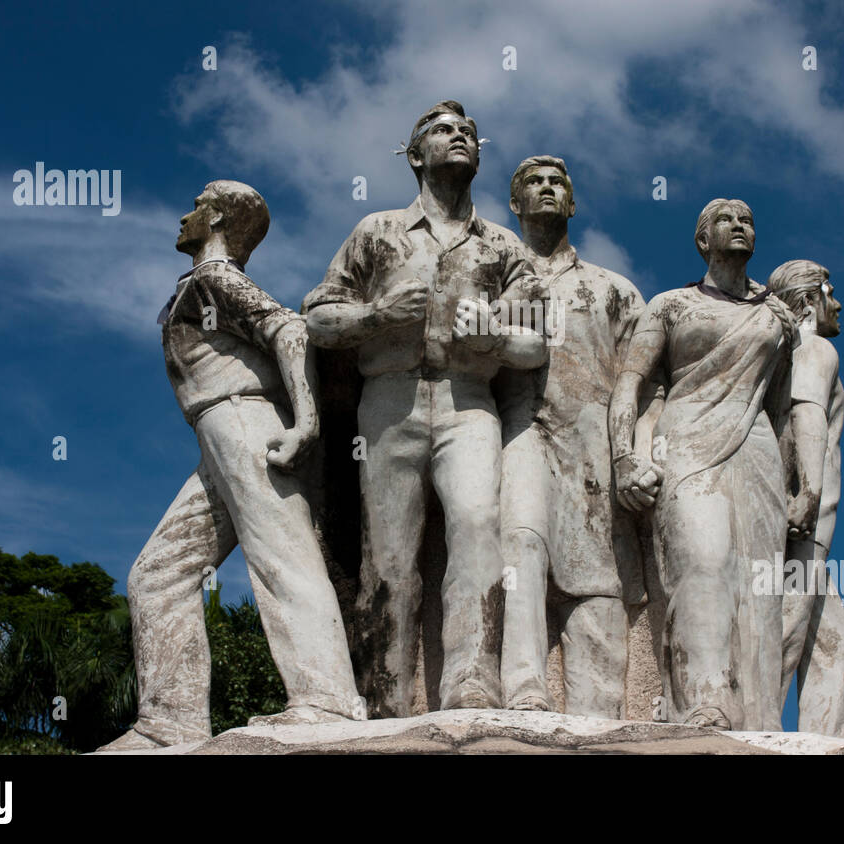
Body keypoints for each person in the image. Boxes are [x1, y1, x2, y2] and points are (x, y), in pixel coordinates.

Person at [303, 101, 546, 717]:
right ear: (415, 155)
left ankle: (471, 683)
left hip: (469, 403)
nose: (459, 136)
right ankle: (386, 697)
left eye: (468, 132)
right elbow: (318, 319)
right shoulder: (376, 231)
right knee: (387, 554)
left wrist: (490, 335)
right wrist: (376, 317)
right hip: (388, 402)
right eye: (443, 131)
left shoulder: (500, 244)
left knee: (476, 529)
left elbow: (536, 340)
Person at [99, 180, 360, 751]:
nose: (184, 214)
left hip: (247, 422)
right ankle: (169, 724)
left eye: (195, 205)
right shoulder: (199, 281)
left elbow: (289, 330)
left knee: (281, 557)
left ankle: (329, 701)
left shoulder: (213, 278)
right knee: (157, 575)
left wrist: (306, 423)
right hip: (217, 434)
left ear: (217, 216)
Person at [608, 198, 796, 730]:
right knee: (703, 563)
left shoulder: (777, 315)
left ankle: (760, 718)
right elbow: (629, 385)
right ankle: (703, 700)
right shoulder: (671, 305)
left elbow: (783, 410)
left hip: (756, 449)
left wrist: (799, 485)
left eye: (748, 218)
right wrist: (626, 457)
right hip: (686, 443)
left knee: (759, 585)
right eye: (726, 219)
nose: (739, 224)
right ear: (702, 240)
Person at [496, 155, 658, 718]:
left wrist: (635, 453)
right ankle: (522, 690)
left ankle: (599, 724)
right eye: (533, 184)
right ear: (514, 204)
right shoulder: (494, 277)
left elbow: (648, 385)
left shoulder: (613, 289)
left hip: (595, 448)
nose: (546, 189)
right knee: (520, 541)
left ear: (572, 202)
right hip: (520, 430)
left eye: (557, 183)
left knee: (599, 585)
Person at [770, 259, 844, 737]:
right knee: (787, 624)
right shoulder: (815, 349)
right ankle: (754, 726)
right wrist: (809, 494)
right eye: (830, 292)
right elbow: (807, 412)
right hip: (805, 515)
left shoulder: (793, 351)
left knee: (835, 639)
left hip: (804, 513)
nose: (838, 304)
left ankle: (827, 741)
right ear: (808, 300)